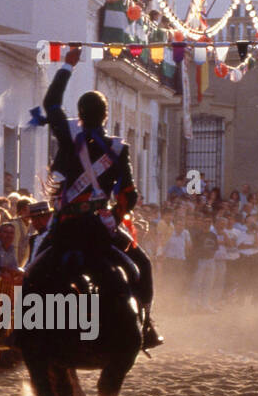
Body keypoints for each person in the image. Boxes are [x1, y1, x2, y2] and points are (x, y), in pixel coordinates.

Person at [27, 46, 162, 350]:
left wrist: (67, 66)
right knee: (143, 265)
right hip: (100, 231)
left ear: (80, 114)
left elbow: (50, 103)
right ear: (106, 116)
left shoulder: (67, 135)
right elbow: (129, 193)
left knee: (33, 269)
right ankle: (148, 323)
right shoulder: (118, 149)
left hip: (65, 228)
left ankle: (22, 330)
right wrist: (113, 217)